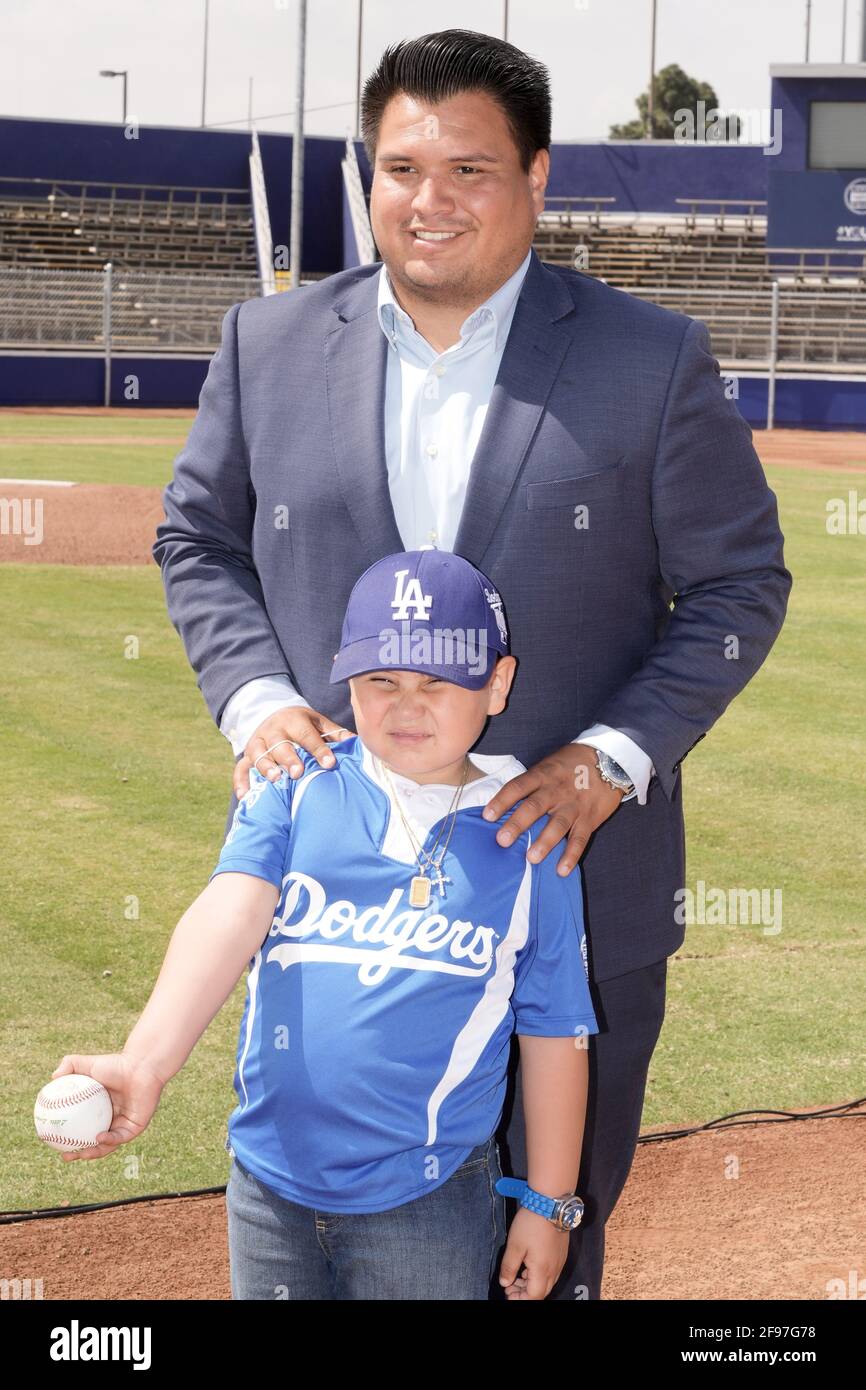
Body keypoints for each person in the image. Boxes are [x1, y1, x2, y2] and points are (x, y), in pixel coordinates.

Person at [151, 29, 792, 1299]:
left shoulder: (647, 359)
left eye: (467, 169)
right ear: (368, 175)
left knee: (546, 1250)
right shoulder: (265, 346)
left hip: (572, 885)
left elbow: (738, 585)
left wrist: (608, 760)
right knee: (337, 1246)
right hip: (340, 920)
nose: (426, 199)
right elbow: (195, 536)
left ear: (536, 177)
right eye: (399, 167)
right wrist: (260, 698)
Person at [49, 549, 599, 1301]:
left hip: (427, 1200)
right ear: (344, 681)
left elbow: (555, 1030)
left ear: (496, 682)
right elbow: (230, 912)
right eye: (381, 681)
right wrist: (145, 1061)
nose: (407, 706)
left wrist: (549, 1205)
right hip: (268, 1189)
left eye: (437, 682)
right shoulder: (297, 781)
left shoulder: (531, 832)